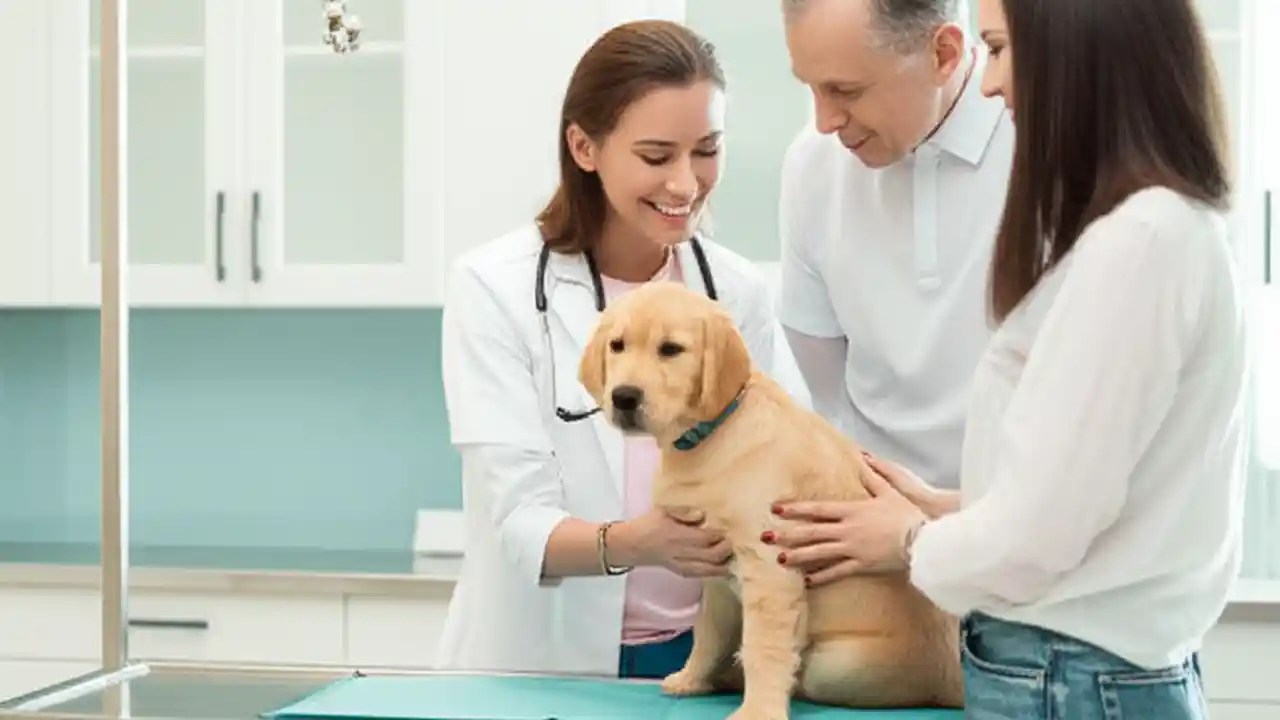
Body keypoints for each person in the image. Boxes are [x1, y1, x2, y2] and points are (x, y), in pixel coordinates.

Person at [770, 0, 1247, 716]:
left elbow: (1043, 534)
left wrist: (909, 539)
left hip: (1067, 669)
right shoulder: (1150, 231)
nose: (989, 85)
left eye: (997, 49)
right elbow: (1089, 494)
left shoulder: (1138, 244)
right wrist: (955, 512)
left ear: (1078, 56)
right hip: (1072, 662)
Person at [436, 20, 808, 679]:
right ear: (584, 146)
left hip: (707, 659)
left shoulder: (736, 293)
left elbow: (791, 468)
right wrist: (642, 544)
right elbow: (520, 523)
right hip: (545, 665)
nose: (687, 183)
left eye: (707, 150)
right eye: (657, 155)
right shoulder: (495, 289)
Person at [776, 0, 1014, 493]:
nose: (824, 121)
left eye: (845, 90)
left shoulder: (1045, 147)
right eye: (811, 88)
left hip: (1027, 531)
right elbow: (826, 398)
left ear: (943, 54)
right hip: (866, 524)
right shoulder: (812, 165)